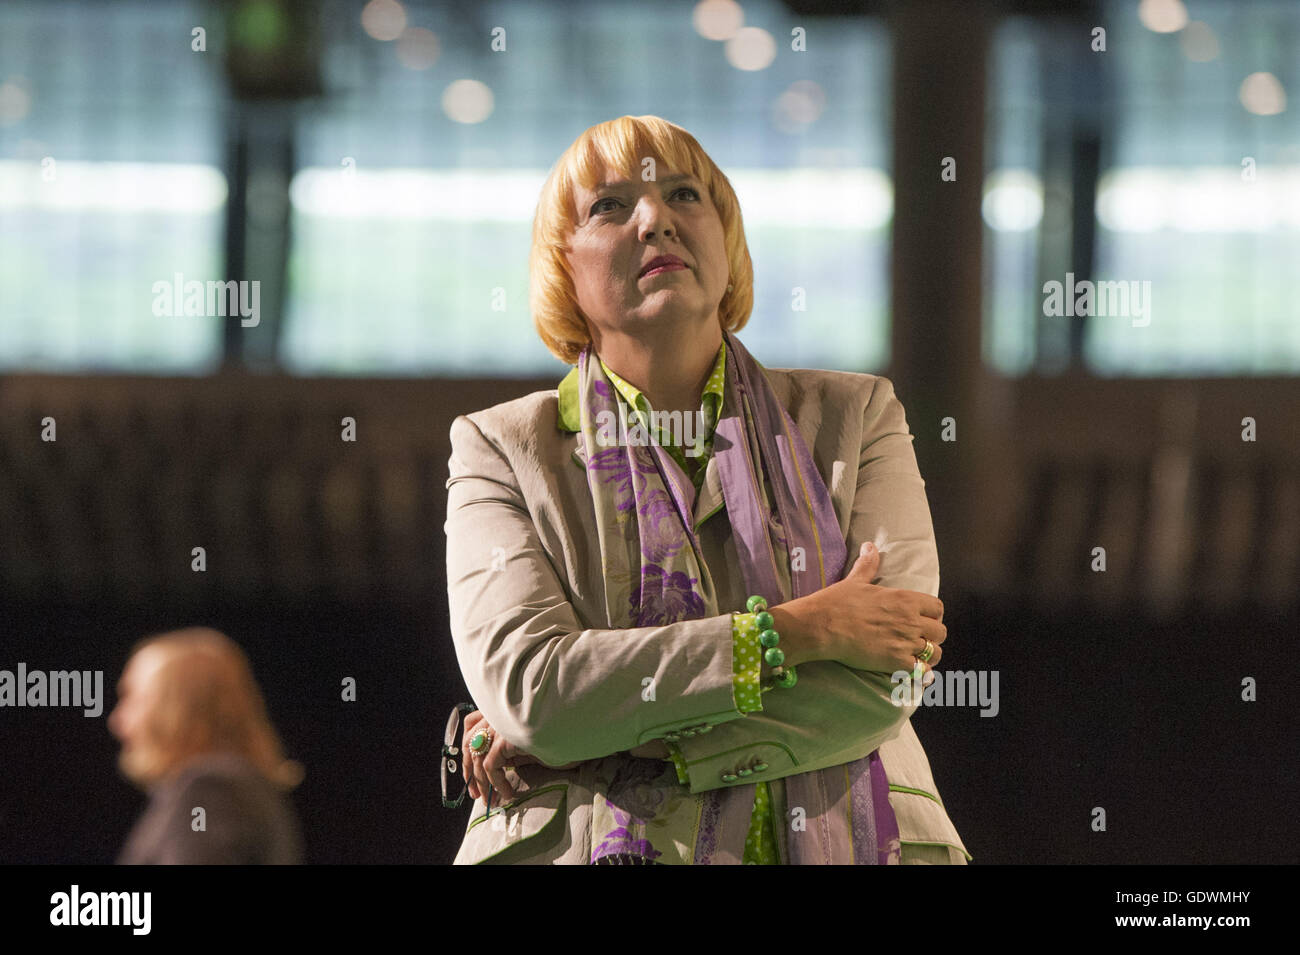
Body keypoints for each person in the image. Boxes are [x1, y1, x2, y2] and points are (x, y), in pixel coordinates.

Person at [445, 115, 969, 864]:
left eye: (683, 194)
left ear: (728, 245)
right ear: (562, 267)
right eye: (610, 206)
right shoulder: (499, 446)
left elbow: (886, 679)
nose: (655, 219)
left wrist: (602, 743)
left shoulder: (858, 416)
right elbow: (536, 691)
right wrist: (799, 630)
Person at [109, 627, 304, 864]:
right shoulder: (237, 786)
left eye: (135, 699)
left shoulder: (211, 789)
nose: (118, 722)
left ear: (178, 710)